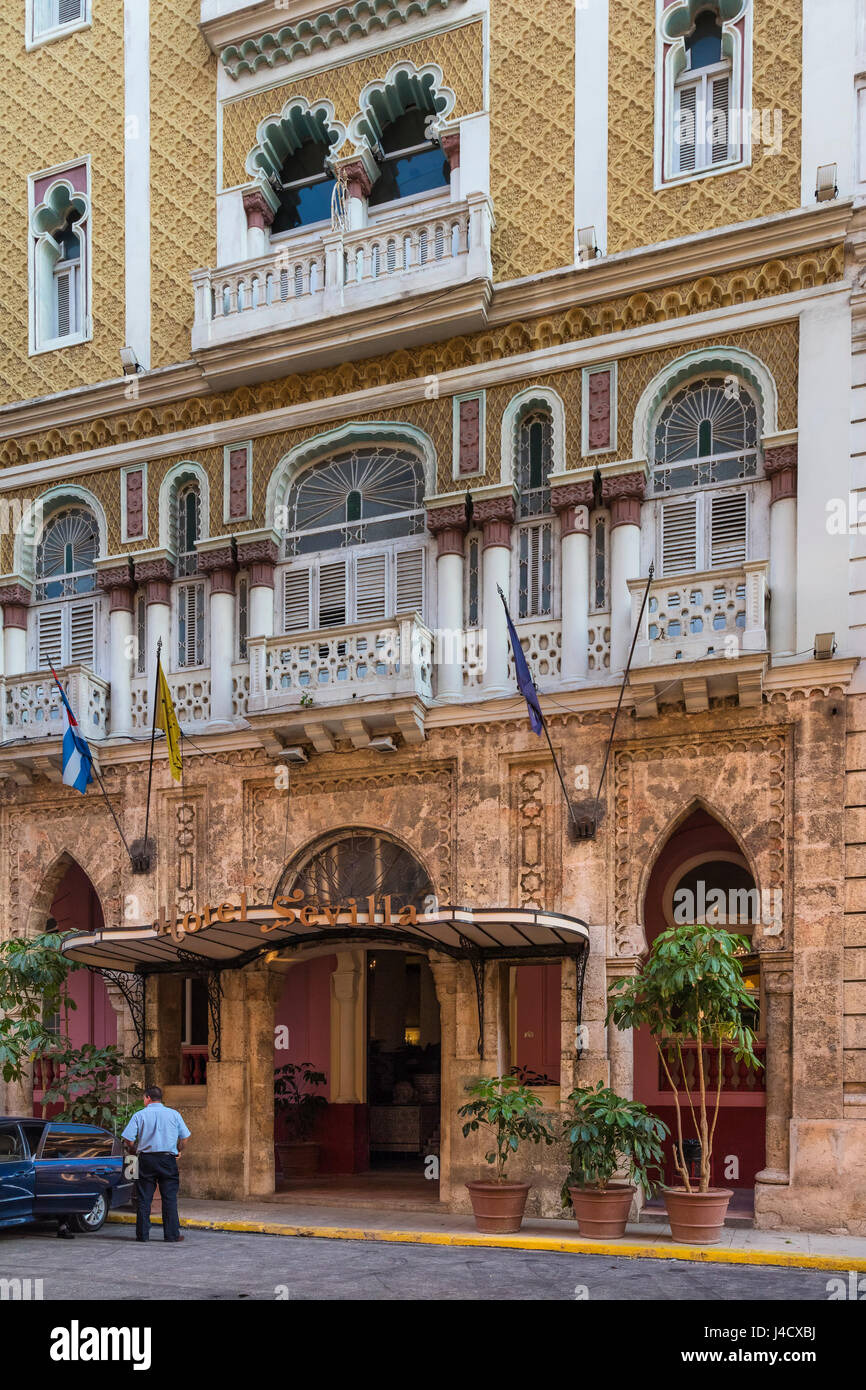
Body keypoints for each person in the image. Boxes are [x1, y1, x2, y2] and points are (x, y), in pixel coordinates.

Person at [122, 1085, 191, 1243]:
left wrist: (134, 1149)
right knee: (169, 1198)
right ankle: (172, 1235)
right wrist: (178, 1149)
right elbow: (185, 1137)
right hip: (167, 1159)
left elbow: (128, 1138)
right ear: (160, 1098)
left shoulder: (140, 1115)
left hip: (146, 1159)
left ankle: (143, 1235)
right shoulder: (174, 1114)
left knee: (144, 1198)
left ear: (147, 1098)